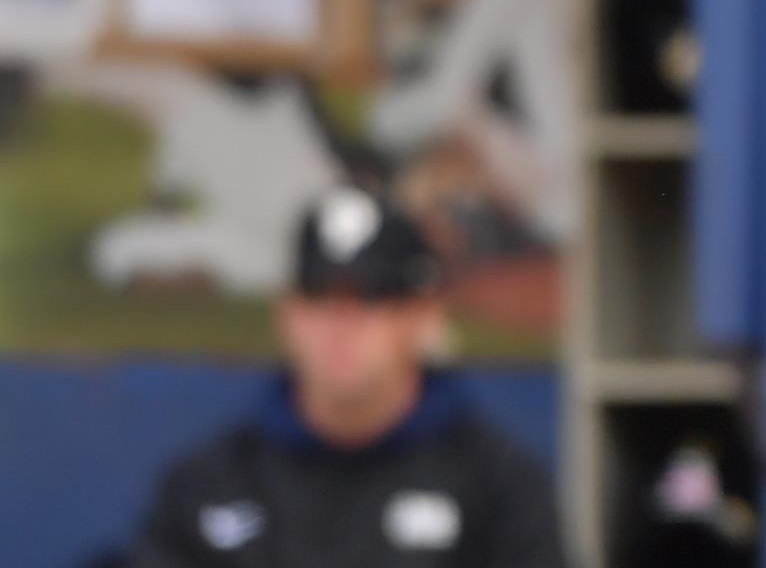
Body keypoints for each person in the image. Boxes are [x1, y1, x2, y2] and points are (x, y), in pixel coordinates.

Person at [125, 185, 567, 567]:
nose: (341, 326)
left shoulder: (497, 489)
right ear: (288, 314)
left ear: (424, 316)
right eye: (320, 296)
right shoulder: (212, 484)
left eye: (371, 298)